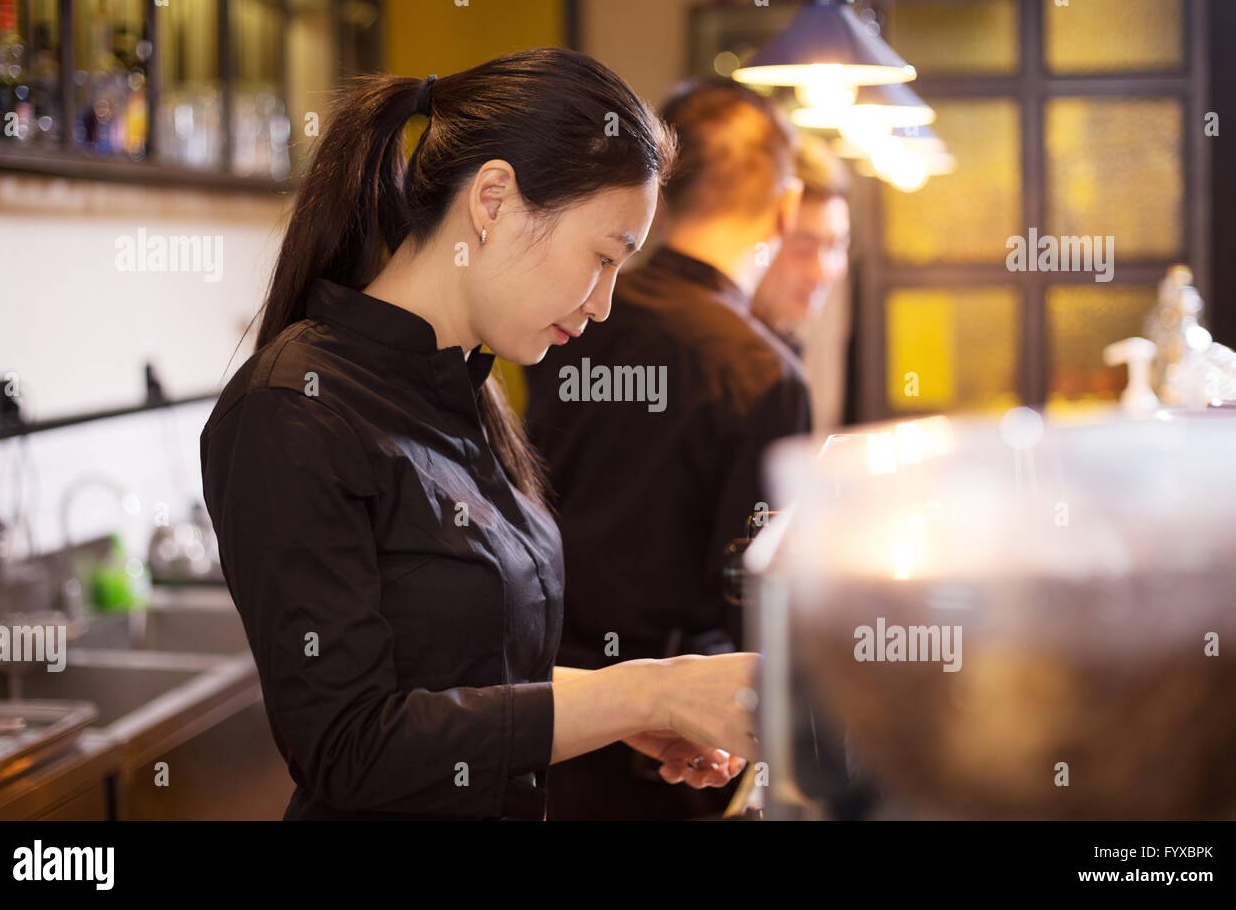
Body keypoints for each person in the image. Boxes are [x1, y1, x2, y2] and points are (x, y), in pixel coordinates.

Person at [199, 49, 761, 821]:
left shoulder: (470, 389)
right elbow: (350, 747)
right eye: (603, 257)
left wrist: (636, 711)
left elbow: (464, 673)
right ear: (492, 200)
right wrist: (644, 690)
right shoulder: (292, 409)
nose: (602, 305)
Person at [523, 77, 811, 819]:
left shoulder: (569, 317)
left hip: (548, 711)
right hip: (683, 743)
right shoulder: (761, 369)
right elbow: (754, 588)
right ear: (785, 208)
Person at [750, 134, 853, 434]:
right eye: (803, 249)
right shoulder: (731, 364)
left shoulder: (782, 347)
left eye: (837, 246)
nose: (824, 271)